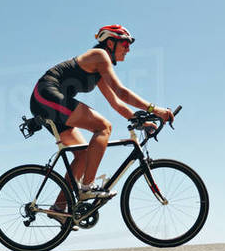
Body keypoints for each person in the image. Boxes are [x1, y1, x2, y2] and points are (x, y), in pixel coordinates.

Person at [28, 24, 174, 212]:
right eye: (125, 44)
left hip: (49, 100)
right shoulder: (100, 56)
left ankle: (59, 208)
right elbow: (122, 92)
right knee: (103, 127)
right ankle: (87, 187)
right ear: (110, 43)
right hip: (46, 94)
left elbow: (116, 102)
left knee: (83, 154)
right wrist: (155, 109)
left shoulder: (98, 70)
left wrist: (140, 120)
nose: (128, 49)